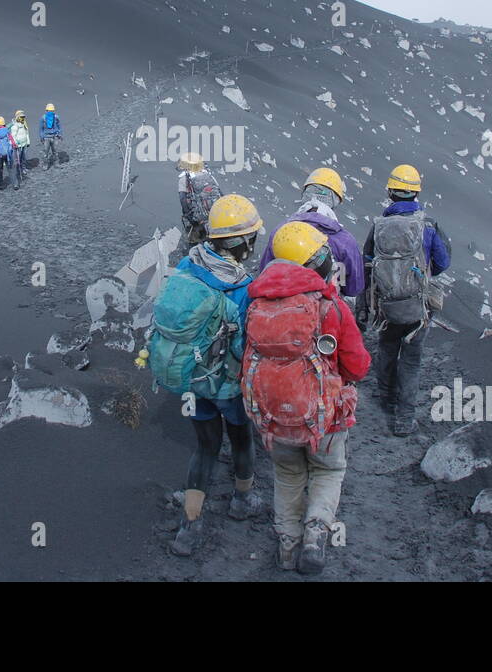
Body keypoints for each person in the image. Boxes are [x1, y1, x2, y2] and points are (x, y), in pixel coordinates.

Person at [241, 222, 370, 574]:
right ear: (318, 262)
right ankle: (316, 532)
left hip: (273, 418)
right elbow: (357, 367)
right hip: (324, 418)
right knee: (329, 471)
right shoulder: (333, 308)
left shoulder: (255, 306)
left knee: (287, 476)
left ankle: (286, 546)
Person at [145, 194, 267, 557]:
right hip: (226, 385)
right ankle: (242, 499)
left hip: (190, 379)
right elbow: (244, 345)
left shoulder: (186, 265)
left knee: (205, 446)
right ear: (244, 242)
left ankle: (189, 526)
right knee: (241, 440)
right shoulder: (242, 287)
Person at [362, 164, 451, 437]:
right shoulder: (428, 226)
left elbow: (367, 260)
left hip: (387, 304)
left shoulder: (379, 226)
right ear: (416, 193)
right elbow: (442, 263)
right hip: (417, 306)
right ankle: (404, 417)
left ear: (390, 192)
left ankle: (386, 398)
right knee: (411, 360)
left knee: (387, 348)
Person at [258, 167, 365, 300]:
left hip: (279, 305)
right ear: (336, 199)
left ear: (306, 194)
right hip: (324, 309)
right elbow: (353, 288)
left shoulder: (281, 230)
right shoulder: (345, 241)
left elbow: (264, 272)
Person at [176, 152, 221, 248]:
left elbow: (183, 200)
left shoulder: (184, 179)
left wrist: (190, 217)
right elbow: (219, 192)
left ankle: (194, 255)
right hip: (214, 214)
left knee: (193, 240)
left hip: (197, 217)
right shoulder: (208, 175)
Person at [0, 116, 17, 190]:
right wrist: (14, 145)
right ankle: (15, 184)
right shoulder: (7, 131)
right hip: (7, 153)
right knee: (10, 168)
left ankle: (0, 185)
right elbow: (11, 140)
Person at [10, 110, 31, 187]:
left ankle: (23, 168)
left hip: (24, 144)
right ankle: (18, 171)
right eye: (21, 117)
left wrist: (28, 142)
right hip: (18, 146)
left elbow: (27, 134)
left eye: (23, 117)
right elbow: (13, 137)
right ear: (18, 117)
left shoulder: (24, 125)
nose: (23, 118)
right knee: (17, 159)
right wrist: (15, 144)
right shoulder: (14, 126)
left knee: (23, 157)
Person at [39, 103, 63, 168]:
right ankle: (45, 164)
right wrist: (41, 137)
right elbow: (41, 129)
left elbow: (59, 126)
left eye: (52, 111)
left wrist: (60, 134)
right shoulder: (43, 118)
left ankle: (56, 163)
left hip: (55, 136)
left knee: (55, 151)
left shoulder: (56, 117)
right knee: (45, 152)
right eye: (49, 110)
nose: (51, 112)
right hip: (46, 137)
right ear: (46, 110)